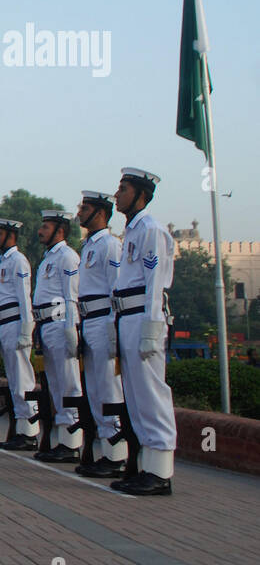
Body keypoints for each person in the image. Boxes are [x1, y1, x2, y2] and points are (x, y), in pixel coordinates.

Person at [110, 168, 176, 496]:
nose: (117, 194)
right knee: (135, 397)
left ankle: (161, 471)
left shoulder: (151, 230)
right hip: (127, 316)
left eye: (123, 189)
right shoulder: (132, 232)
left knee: (151, 393)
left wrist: (152, 327)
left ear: (141, 195)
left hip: (143, 317)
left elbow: (154, 284)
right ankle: (147, 466)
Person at [74, 190, 128, 477]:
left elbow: (116, 287)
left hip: (104, 318)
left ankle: (117, 453)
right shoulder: (89, 247)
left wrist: (114, 329)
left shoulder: (110, 245)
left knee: (108, 388)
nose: (80, 213)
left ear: (101, 213)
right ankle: (107, 450)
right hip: (88, 319)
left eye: (86, 208)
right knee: (94, 390)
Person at [32, 209, 82, 462]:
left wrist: (71, 328)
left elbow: (71, 295)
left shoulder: (67, 257)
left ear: (60, 231)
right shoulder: (49, 258)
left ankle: (72, 441)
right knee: (54, 383)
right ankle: (63, 439)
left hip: (61, 322)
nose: (41, 231)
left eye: (46, 227)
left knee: (68, 383)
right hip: (46, 323)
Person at [0, 218, 39, 450]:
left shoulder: (18, 261)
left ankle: (29, 430)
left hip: (15, 322)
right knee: (14, 380)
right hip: (5, 323)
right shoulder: (5, 262)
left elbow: (24, 296)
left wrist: (26, 330)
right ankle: (20, 428)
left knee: (23, 379)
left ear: (11, 235)